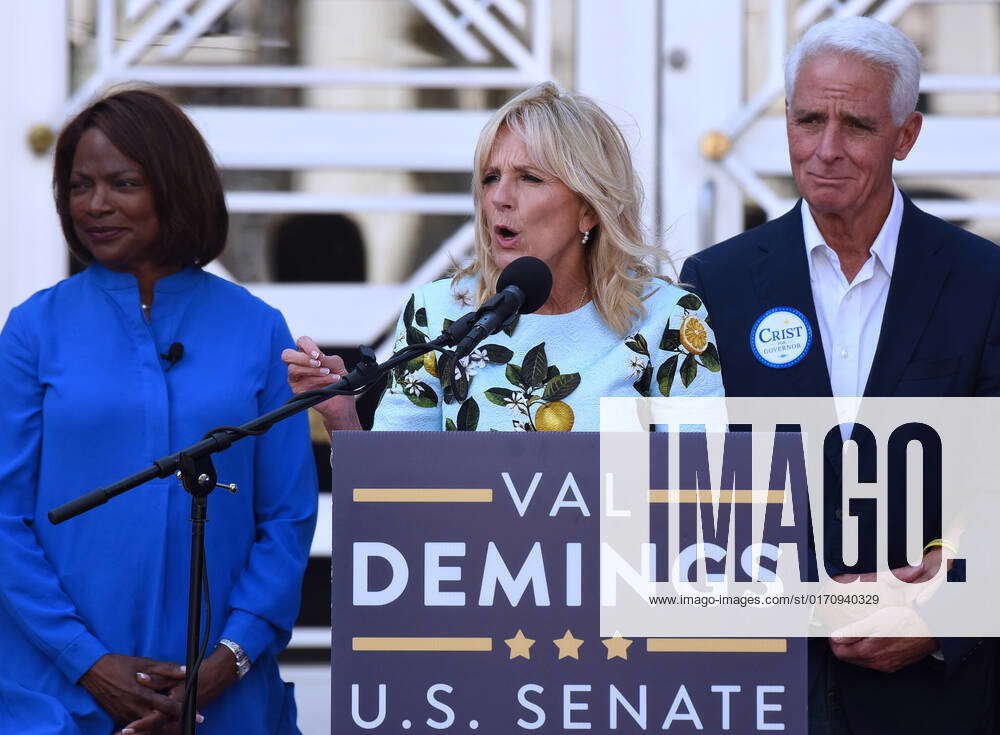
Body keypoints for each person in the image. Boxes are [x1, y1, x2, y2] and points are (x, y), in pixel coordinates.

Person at [679, 17, 1000, 735]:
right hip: (768, 689)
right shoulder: (715, 284)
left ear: (906, 136)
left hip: (937, 700)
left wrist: (946, 613)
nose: (825, 149)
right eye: (808, 119)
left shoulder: (983, 282)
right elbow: (692, 488)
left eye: (855, 124)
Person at [0, 89, 318, 734]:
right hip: (57, 694)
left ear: (175, 188)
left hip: (222, 698)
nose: (95, 205)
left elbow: (286, 517)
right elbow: (4, 514)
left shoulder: (257, 330)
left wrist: (225, 661)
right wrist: (87, 662)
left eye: (123, 183)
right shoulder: (35, 330)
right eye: (79, 185)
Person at [284, 82, 724, 433]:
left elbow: (703, 496)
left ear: (589, 207)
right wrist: (343, 417)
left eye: (530, 178)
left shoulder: (667, 319)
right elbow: (394, 500)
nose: (500, 197)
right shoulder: (438, 315)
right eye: (490, 177)